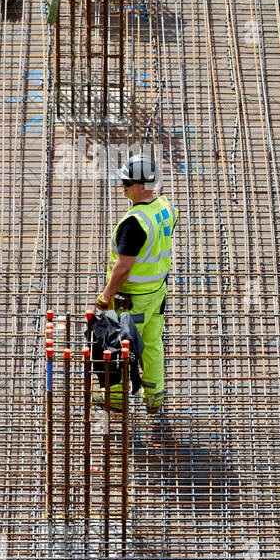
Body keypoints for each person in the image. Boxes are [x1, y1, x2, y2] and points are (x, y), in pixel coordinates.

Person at [94, 153, 177, 412]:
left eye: (128, 183)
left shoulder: (134, 223)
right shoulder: (165, 207)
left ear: (143, 185)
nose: (123, 186)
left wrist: (106, 296)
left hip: (133, 299)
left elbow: (123, 268)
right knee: (152, 343)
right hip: (157, 292)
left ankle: (117, 398)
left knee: (117, 345)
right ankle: (154, 396)